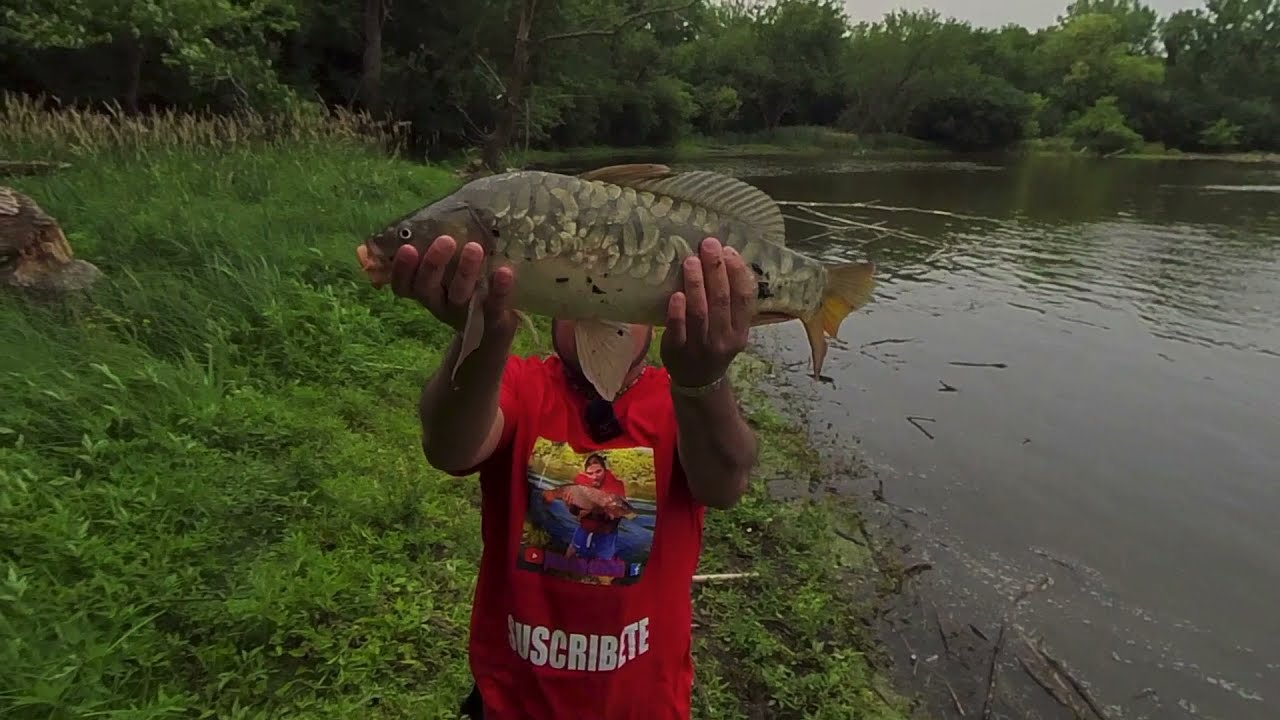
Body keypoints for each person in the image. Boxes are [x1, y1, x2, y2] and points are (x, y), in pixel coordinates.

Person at [390, 232, 760, 720]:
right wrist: (483, 336)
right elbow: (449, 447)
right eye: (579, 291)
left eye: (618, 295)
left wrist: (703, 383)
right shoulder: (522, 385)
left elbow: (725, 483)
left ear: (659, 313)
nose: (598, 308)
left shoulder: (679, 405)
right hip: (511, 707)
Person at [565, 453, 627, 561]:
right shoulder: (580, 483)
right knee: (570, 553)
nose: (595, 476)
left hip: (606, 533)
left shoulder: (616, 486)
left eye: (598, 471)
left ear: (605, 469)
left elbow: (620, 513)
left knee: (603, 565)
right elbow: (574, 511)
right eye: (590, 473)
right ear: (586, 473)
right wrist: (570, 505)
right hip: (585, 527)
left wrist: (608, 513)